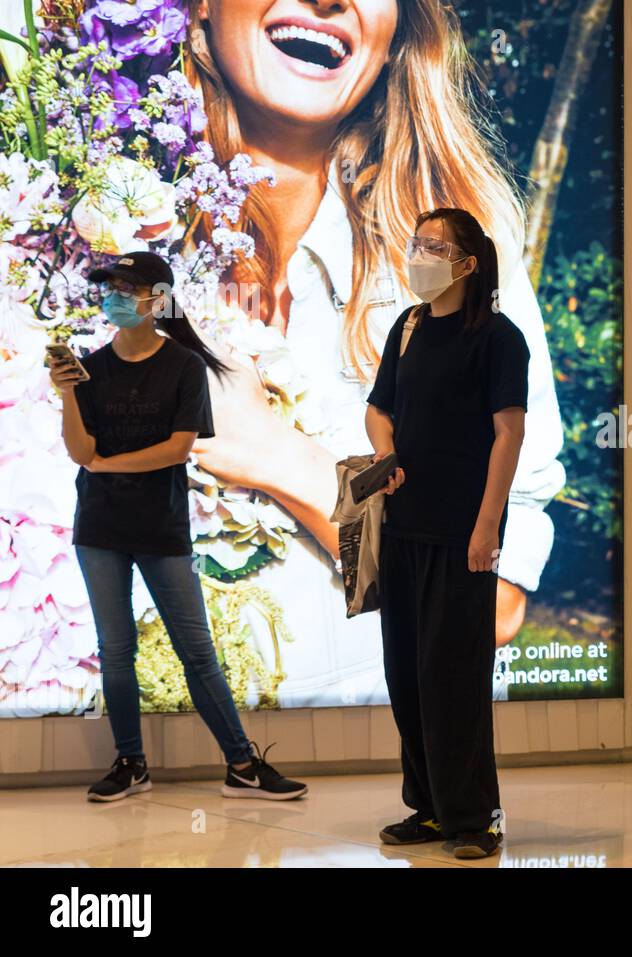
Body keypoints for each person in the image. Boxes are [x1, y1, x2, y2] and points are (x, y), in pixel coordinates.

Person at [179, 0, 565, 707]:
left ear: (397, 30)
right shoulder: (69, 227)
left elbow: (498, 602)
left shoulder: (463, 266)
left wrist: (280, 457)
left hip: (371, 767)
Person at [55, 251, 307, 802]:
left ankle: (241, 764)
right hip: (98, 527)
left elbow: (176, 450)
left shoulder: (184, 367)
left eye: (129, 289)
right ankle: (130, 763)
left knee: (197, 651)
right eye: (111, 288)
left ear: (158, 300)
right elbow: (80, 451)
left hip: (162, 528)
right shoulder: (91, 368)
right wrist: (69, 392)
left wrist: (106, 464)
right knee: (115, 651)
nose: (115, 298)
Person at [365, 208, 524, 859]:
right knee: (407, 675)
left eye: (434, 245)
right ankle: (428, 808)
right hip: (404, 528)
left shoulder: (497, 337)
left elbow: (509, 432)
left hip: (464, 534)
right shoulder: (406, 328)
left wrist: (487, 525)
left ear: (467, 263)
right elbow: (378, 409)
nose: (418, 253)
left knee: (452, 676)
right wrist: (387, 453)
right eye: (416, 242)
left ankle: (474, 817)